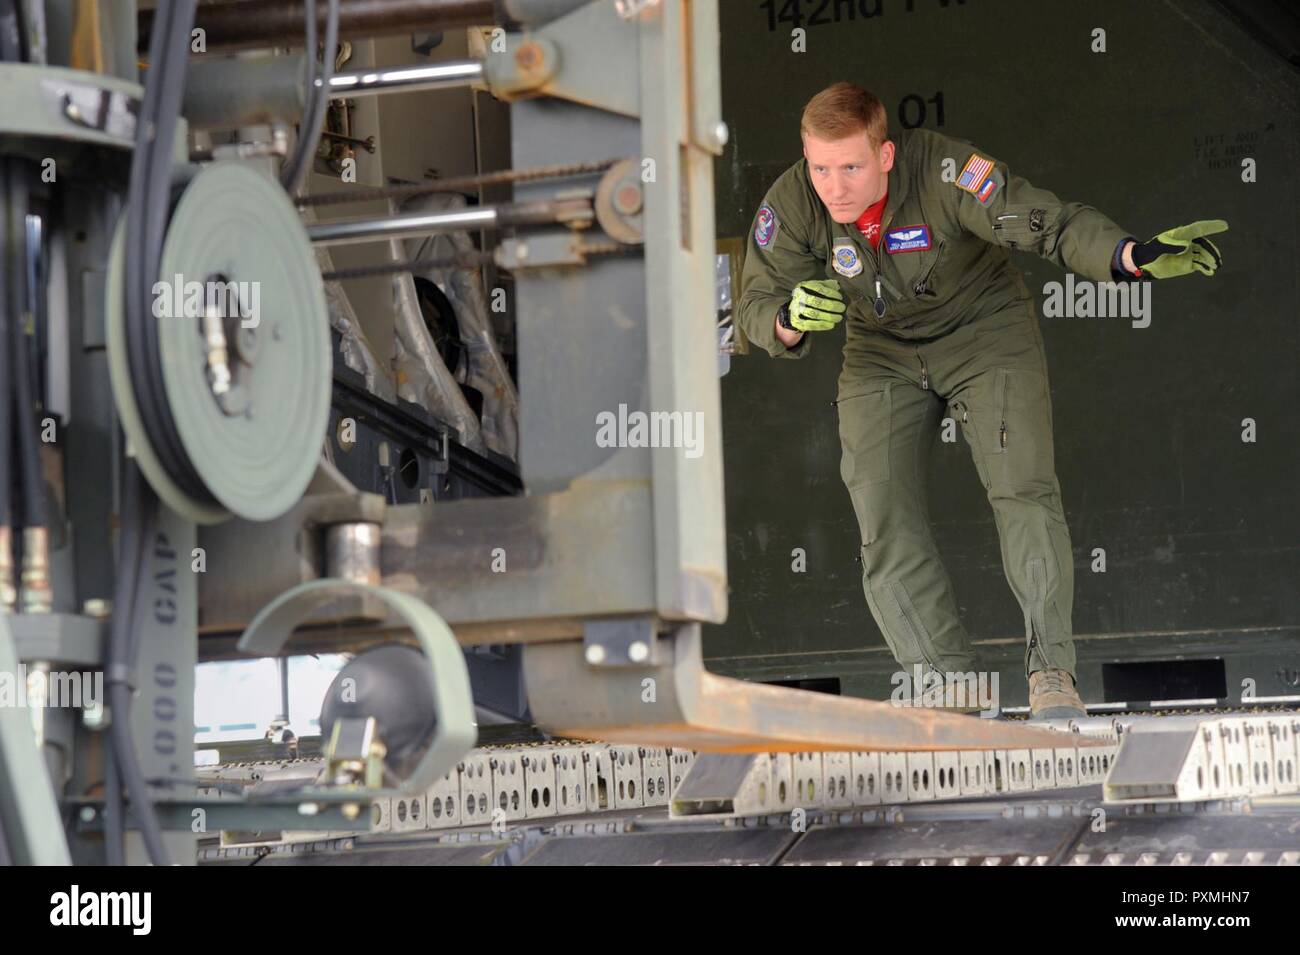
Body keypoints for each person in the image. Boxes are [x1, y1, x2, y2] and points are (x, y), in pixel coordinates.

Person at [736, 81, 1226, 719]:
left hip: (984, 333)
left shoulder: (944, 171)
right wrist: (788, 318)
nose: (834, 185)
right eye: (820, 166)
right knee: (880, 508)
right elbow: (753, 304)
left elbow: (1044, 222)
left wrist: (1126, 257)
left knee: (1022, 489)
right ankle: (946, 684)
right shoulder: (794, 201)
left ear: (885, 155)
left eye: (851, 166)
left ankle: (1052, 673)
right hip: (880, 349)